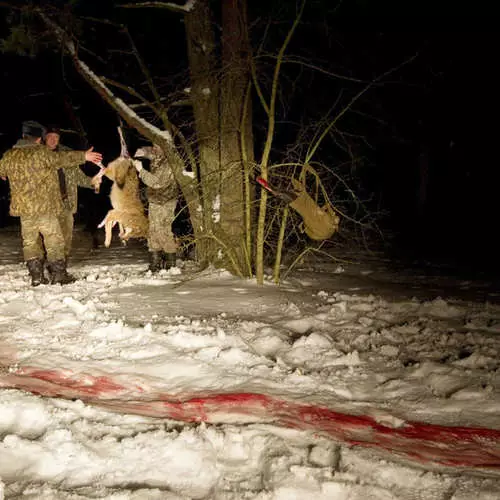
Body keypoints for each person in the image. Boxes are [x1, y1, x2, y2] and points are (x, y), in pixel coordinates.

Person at [0, 120, 103, 286]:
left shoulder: (9, 155)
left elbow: (2, 172)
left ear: (23, 136)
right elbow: (61, 158)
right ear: (39, 138)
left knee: (29, 242)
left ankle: (36, 276)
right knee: (54, 240)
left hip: (24, 210)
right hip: (44, 207)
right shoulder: (42, 153)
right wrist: (84, 156)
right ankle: (59, 275)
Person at [44, 124, 100, 264]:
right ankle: (45, 266)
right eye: (50, 137)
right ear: (44, 138)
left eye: (56, 137)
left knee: (65, 238)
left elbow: (78, 177)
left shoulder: (69, 155)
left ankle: (61, 268)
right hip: (45, 205)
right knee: (48, 238)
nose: (53, 140)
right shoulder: (39, 155)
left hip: (66, 203)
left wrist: (92, 182)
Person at [256, 168, 340, 241]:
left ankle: (268, 183)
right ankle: (270, 180)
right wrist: (305, 226)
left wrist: (322, 212)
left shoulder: (328, 225)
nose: (336, 217)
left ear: (334, 227)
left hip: (304, 206)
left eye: (336, 220)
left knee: (288, 194)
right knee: (292, 190)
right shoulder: (326, 230)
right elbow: (313, 230)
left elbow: (322, 214)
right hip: (305, 204)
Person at [133, 144, 179, 271]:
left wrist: (141, 170)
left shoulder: (169, 163)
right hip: (155, 200)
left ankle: (171, 266)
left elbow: (157, 182)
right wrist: (143, 151)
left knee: (163, 231)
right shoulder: (159, 156)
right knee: (153, 232)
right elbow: (151, 153)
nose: (154, 149)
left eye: (158, 146)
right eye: (154, 146)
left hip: (165, 201)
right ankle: (154, 265)